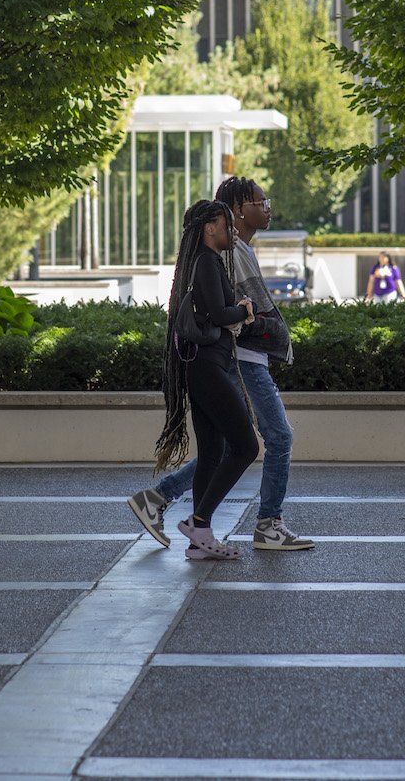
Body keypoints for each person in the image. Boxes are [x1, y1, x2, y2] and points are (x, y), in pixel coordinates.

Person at [127, 178, 315, 552]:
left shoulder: (234, 251)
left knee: (227, 447)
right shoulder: (226, 255)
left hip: (234, 358)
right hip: (241, 359)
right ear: (238, 208)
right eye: (261, 202)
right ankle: (267, 524)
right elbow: (233, 311)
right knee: (275, 437)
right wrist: (255, 320)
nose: (267, 208)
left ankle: (167, 505)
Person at [146, 199, 260, 560]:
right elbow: (217, 313)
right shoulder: (207, 262)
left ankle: (200, 541)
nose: (232, 230)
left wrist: (234, 310)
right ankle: (199, 521)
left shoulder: (199, 262)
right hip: (208, 369)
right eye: (226, 224)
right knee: (246, 447)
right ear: (210, 228)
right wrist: (242, 309)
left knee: (212, 453)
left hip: (200, 368)